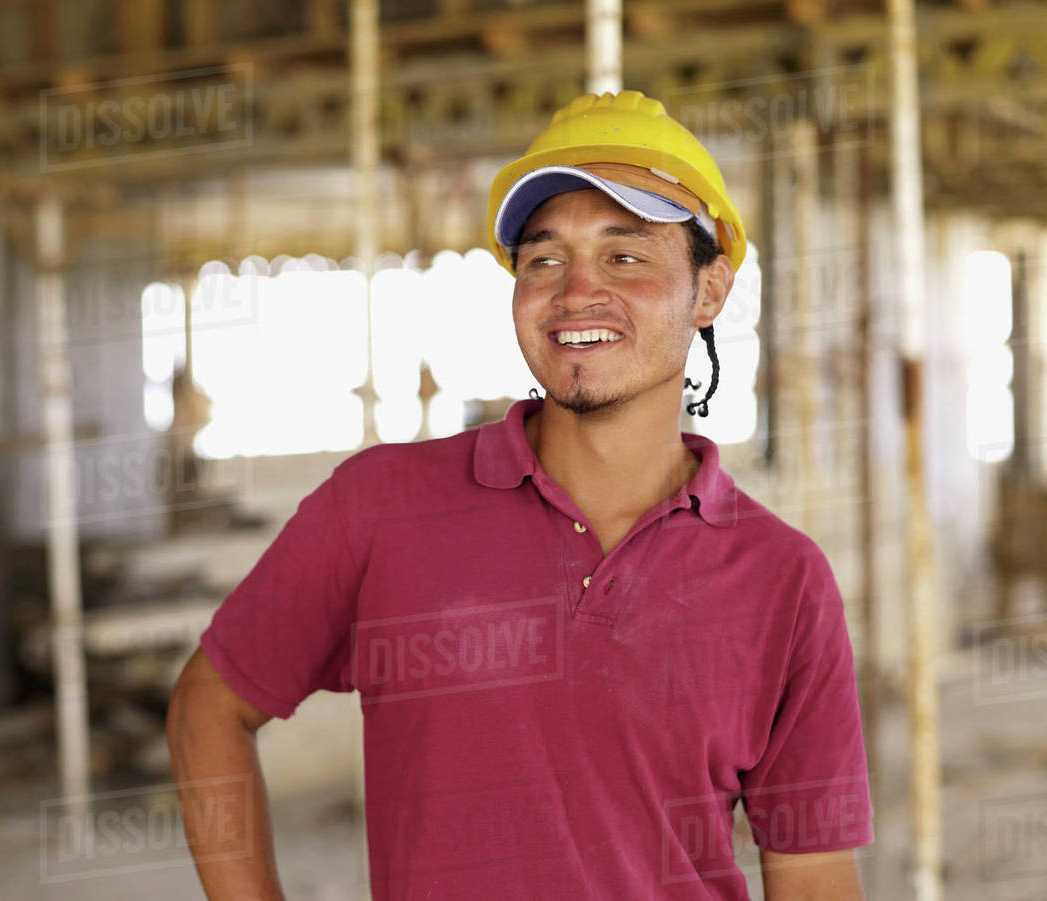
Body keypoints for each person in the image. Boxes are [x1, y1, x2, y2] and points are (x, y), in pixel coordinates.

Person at [168, 90, 873, 900]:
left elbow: (815, 877)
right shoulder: (380, 507)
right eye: (544, 259)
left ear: (709, 291)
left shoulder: (783, 578)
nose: (576, 291)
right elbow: (208, 709)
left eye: (625, 255)